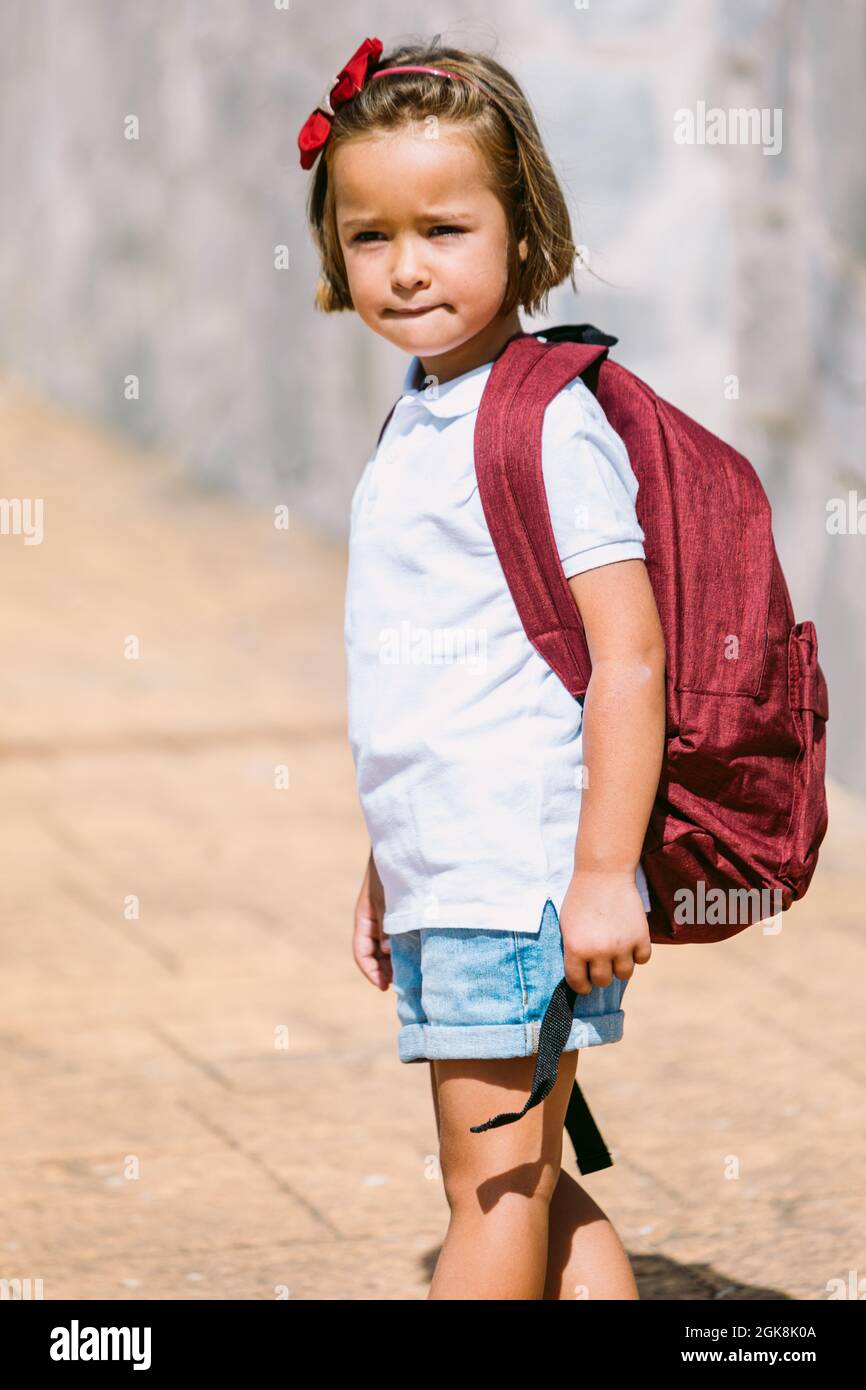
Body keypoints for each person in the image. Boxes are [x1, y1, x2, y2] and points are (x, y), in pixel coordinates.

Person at [300, 35, 666, 1300]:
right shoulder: (424, 405)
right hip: (453, 867)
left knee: (487, 1191)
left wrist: (604, 872)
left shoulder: (541, 420)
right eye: (368, 236)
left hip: (516, 878)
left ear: (523, 235)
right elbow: (443, 681)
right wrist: (388, 857)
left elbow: (625, 656)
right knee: (526, 1178)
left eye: (444, 228)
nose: (403, 267)